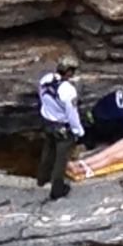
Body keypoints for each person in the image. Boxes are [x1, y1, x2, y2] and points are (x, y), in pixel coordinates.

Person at [36, 54, 84, 200]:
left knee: (48, 151)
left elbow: (42, 98)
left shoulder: (45, 80)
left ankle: (42, 179)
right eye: (73, 70)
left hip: (47, 122)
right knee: (61, 159)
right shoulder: (68, 90)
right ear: (68, 71)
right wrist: (78, 131)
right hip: (62, 126)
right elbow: (72, 113)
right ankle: (57, 189)